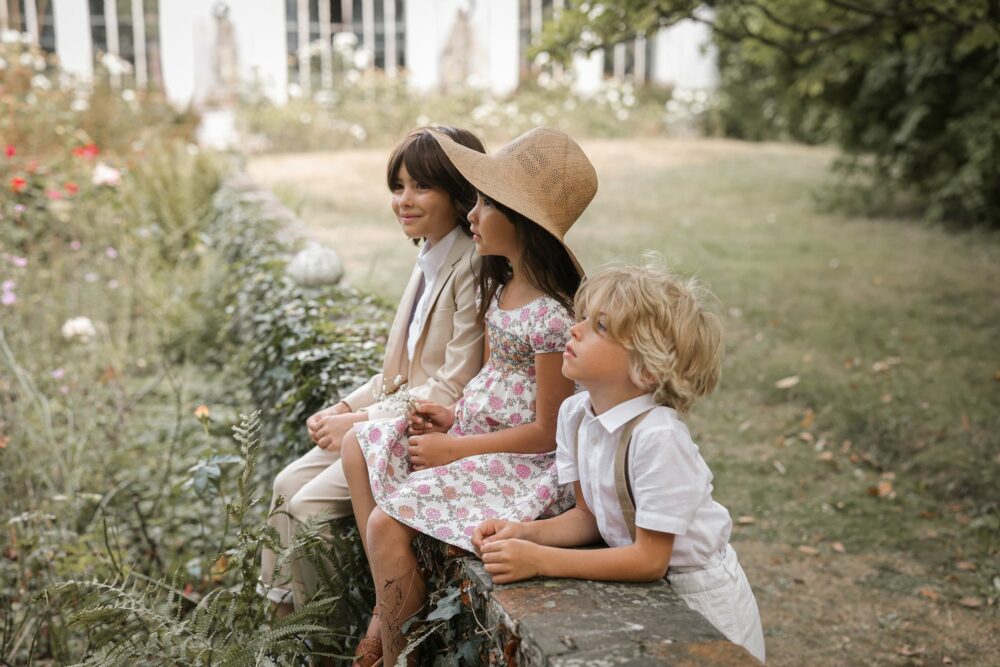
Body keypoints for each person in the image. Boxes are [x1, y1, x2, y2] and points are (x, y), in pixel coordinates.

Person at [341, 127, 598, 666]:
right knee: (362, 446)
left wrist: (453, 449)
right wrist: (453, 416)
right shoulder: (501, 287)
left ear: (520, 219)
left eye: (484, 203)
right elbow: (500, 387)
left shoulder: (550, 316)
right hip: (478, 437)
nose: (472, 215)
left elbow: (547, 433)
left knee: (387, 522)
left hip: (520, 467)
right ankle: (382, 613)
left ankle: (397, 654)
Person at [472, 264, 767, 663]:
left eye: (601, 327)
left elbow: (649, 559)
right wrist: (524, 533)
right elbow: (588, 517)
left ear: (646, 368)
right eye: (582, 319)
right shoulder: (576, 414)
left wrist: (539, 561)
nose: (575, 330)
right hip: (643, 591)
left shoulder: (657, 436)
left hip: (701, 599)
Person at [259, 126, 487, 616]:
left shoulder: (472, 265)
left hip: (424, 432)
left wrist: (358, 424)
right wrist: (344, 406)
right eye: (398, 186)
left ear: (460, 192)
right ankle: (281, 621)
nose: (404, 200)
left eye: (421, 186)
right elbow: (397, 372)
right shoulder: (428, 254)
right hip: (383, 421)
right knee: (283, 488)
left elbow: (452, 384)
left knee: (308, 509)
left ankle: (327, 631)